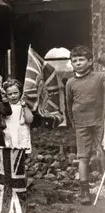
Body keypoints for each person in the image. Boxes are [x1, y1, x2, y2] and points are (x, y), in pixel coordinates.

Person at [66, 45, 105, 205]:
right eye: (74, 61)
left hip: (100, 122)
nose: (78, 63)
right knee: (83, 157)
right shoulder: (70, 83)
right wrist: (75, 122)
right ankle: (84, 192)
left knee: (103, 151)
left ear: (90, 62)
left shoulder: (100, 77)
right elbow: (69, 104)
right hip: (81, 124)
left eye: (81, 60)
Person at [2, 79, 33, 153]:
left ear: (20, 93)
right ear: (6, 95)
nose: (13, 96)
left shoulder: (23, 105)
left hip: (21, 133)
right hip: (8, 133)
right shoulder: (4, 107)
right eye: (10, 94)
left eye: (15, 93)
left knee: (21, 155)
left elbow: (29, 120)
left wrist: (24, 106)